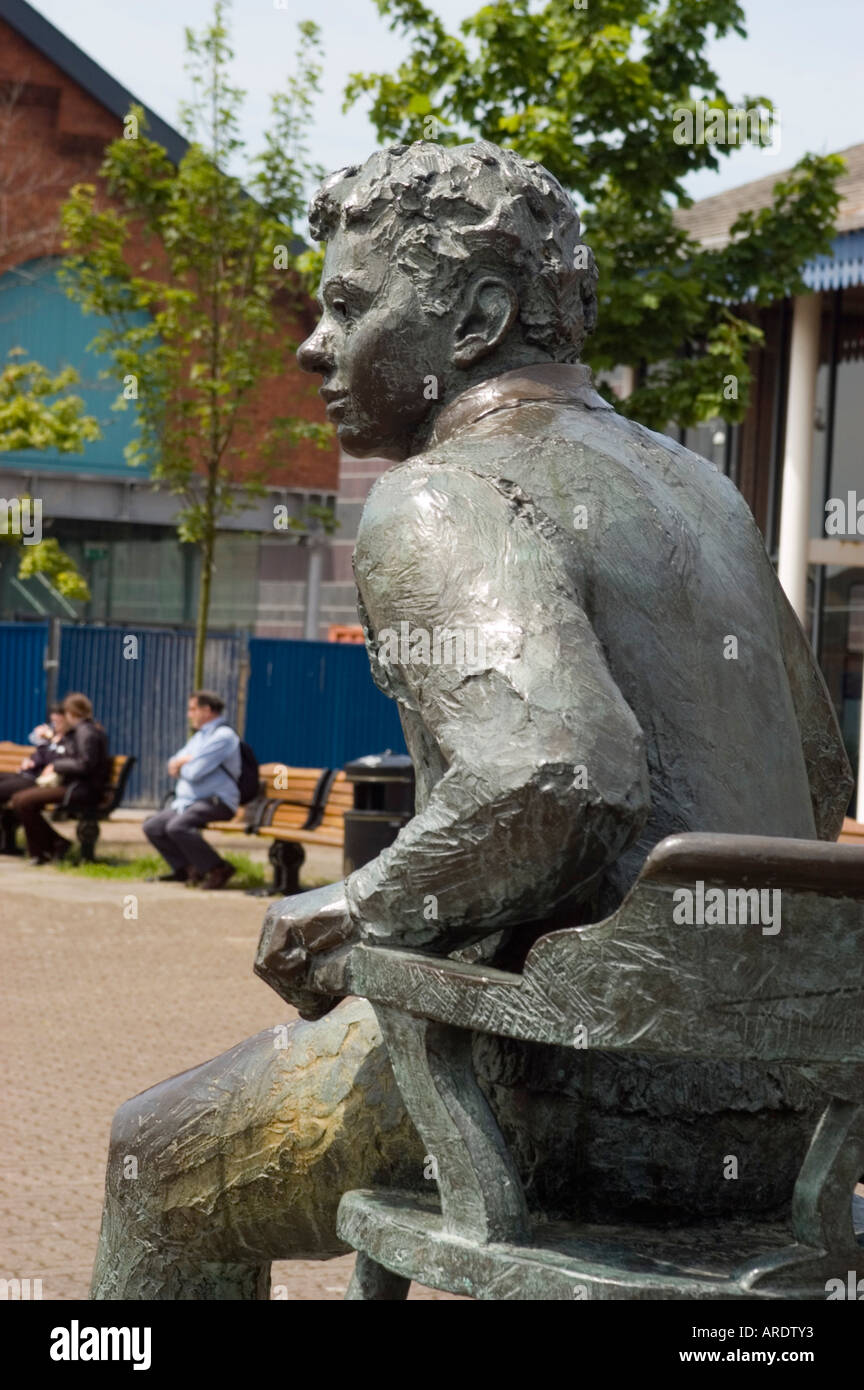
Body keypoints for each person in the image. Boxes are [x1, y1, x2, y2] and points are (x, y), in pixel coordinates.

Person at [91, 142, 852, 1300]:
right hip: (800, 1125)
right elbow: (820, 776)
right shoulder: (708, 493)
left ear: (480, 318)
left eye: (349, 305)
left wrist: (351, 909)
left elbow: (558, 776)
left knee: (152, 1160)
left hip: (559, 1090)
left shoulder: (443, 494)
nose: (313, 344)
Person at [143, 690, 240, 891]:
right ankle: (188, 869)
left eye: (193, 709)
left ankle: (219, 868)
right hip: (190, 802)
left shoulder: (223, 736)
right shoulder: (200, 737)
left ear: (207, 710)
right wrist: (183, 761)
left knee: (177, 827)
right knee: (153, 826)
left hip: (218, 801)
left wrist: (183, 764)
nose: (189, 714)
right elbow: (173, 762)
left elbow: (195, 772)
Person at [10, 693, 109, 864]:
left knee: (23, 801)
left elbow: (85, 765)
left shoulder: (86, 732)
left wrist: (56, 766)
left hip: (81, 789)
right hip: (76, 785)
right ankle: (52, 846)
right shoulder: (84, 730)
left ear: (72, 712)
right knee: (20, 799)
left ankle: (45, 850)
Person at [0, 704, 71, 818]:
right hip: (23, 774)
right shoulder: (51, 739)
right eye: (53, 721)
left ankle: (8, 824)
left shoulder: (68, 740)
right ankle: (8, 824)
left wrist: (50, 740)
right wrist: (30, 760)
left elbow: (56, 759)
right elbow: (39, 754)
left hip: (35, 780)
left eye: (58, 722)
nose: (55, 725)